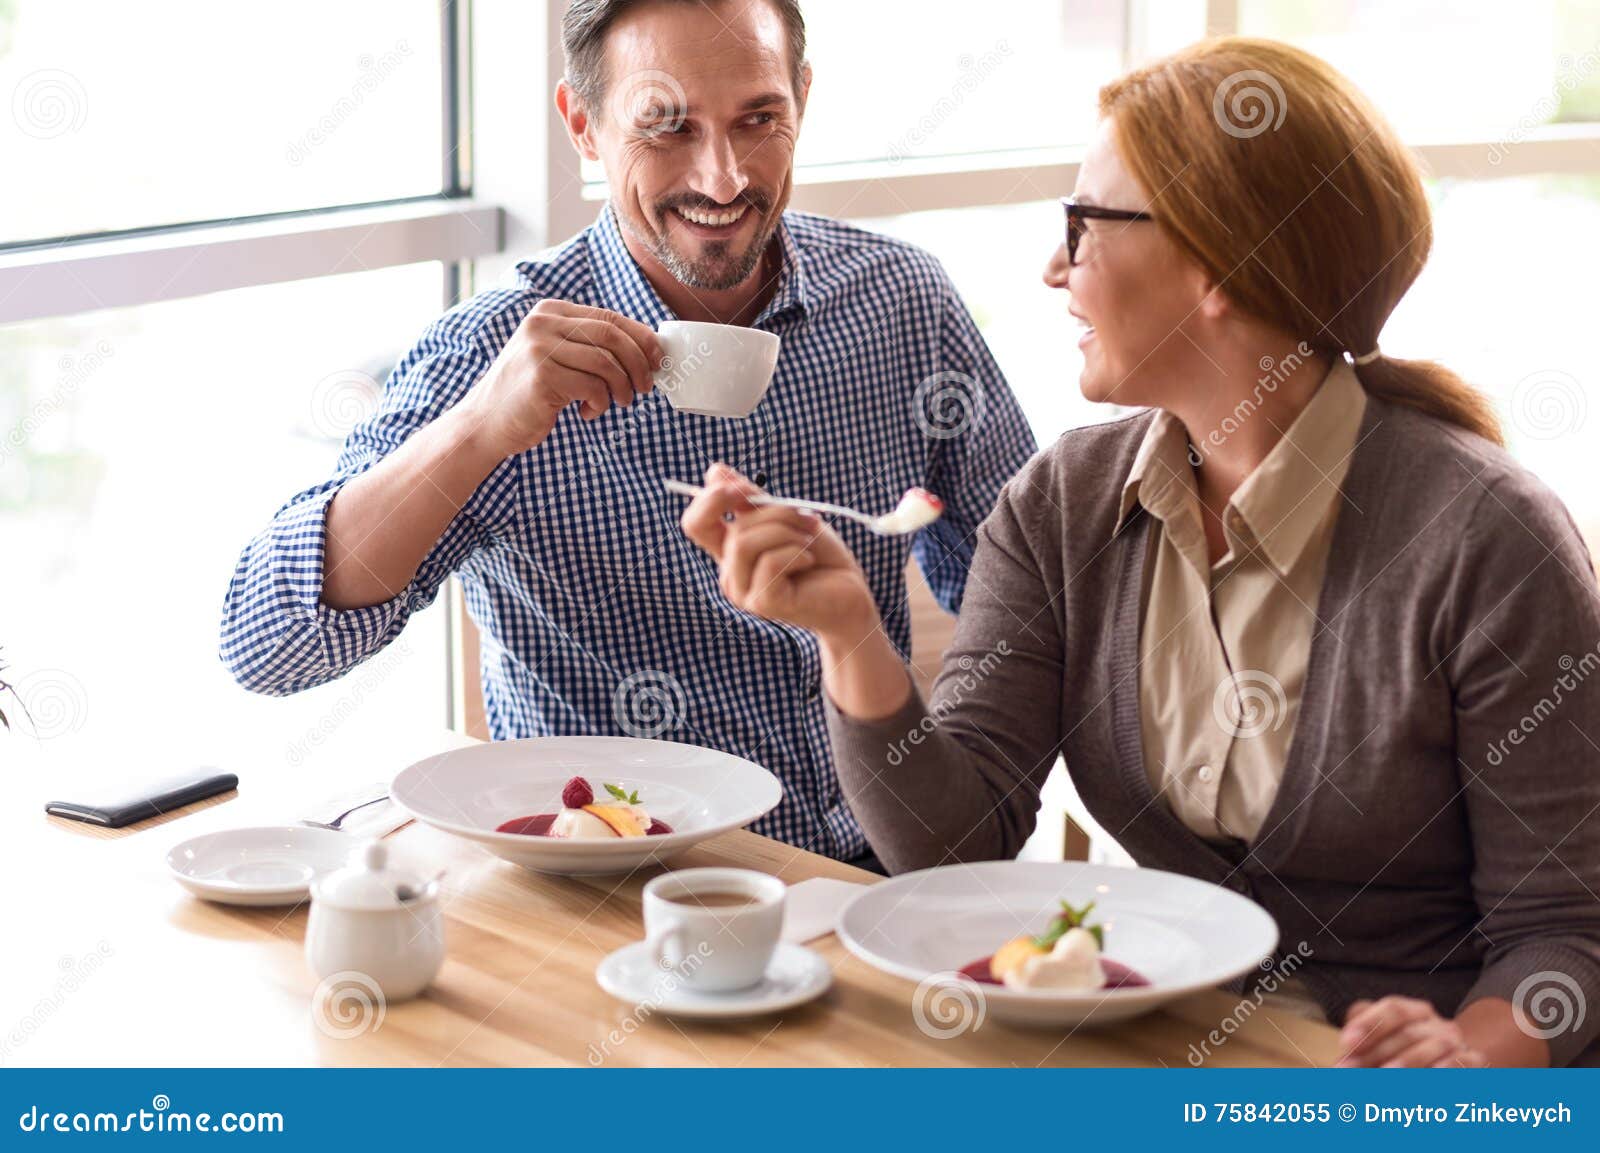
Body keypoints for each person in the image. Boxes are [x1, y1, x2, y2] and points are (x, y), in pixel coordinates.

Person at [681, 36, 1600, 1066]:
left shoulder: (1489, 541)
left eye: (1084, 227)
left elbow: (1565, 936)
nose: (1053, 268)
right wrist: (849, 636)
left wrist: (1465, 1052)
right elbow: (957, 846)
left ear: (1218, 263)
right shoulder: (1064, 504)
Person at [217, 0, 1034, 870]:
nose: (723, 181)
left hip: (872, 882)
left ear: (802, 98)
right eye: (666, 127)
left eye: (758, 120)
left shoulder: (901, 301)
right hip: (613, 899)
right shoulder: (493, 356)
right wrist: (476, 432)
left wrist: (955, 783)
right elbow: (268, 647)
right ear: (583, 124)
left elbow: (1033, 600)